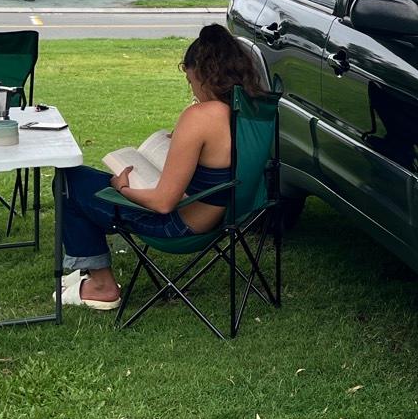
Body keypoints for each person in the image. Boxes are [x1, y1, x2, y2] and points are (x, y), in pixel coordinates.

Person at [56, 24, 263, 310]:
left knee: (69, 182)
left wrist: (123, 188)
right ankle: (89, 271)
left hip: (178, 226)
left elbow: (163, 203)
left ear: (203, 74)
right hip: (226, 216)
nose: (192, 90)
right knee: (84, 179)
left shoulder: (201, 115)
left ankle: (102, 286)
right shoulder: (251, 109)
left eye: (190, 81)